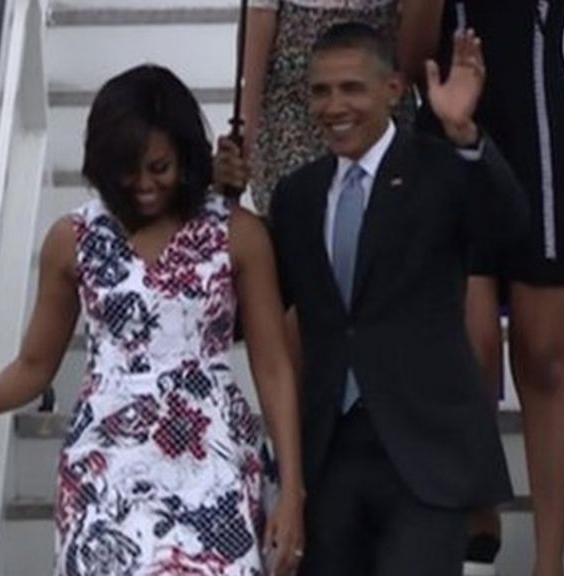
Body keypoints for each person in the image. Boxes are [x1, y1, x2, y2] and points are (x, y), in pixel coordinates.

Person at [0, 64, 305, 575]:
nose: (143, 185)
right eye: (126, 171)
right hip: (103, 468)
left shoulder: (236, 233)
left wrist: (292, 490)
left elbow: (273, 369)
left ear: (187, 157)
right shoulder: (70, 239)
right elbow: (34, 364)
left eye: (160, 167)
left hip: (214, 461)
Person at [216, 22, 527, 574]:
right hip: (330, 455)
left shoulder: (439, 169)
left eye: (352, 88)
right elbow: (244, 313)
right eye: (320, 90)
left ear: (391, 89)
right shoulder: (297, 196)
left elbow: (507, 226)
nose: (335, 105)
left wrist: (464, 134)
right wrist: (224, 205)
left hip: (425, 451)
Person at [407, 3, 564, 574]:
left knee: (545, 358)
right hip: (451, 134)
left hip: (546, 145)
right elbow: (407, 58)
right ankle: (479, 511)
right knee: (470, 352)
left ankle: (550, 562)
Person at [243, 0, 439, 215]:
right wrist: (248, 126)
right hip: (294, 111)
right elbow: (261, 16)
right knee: (298, 216)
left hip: (375, 96)